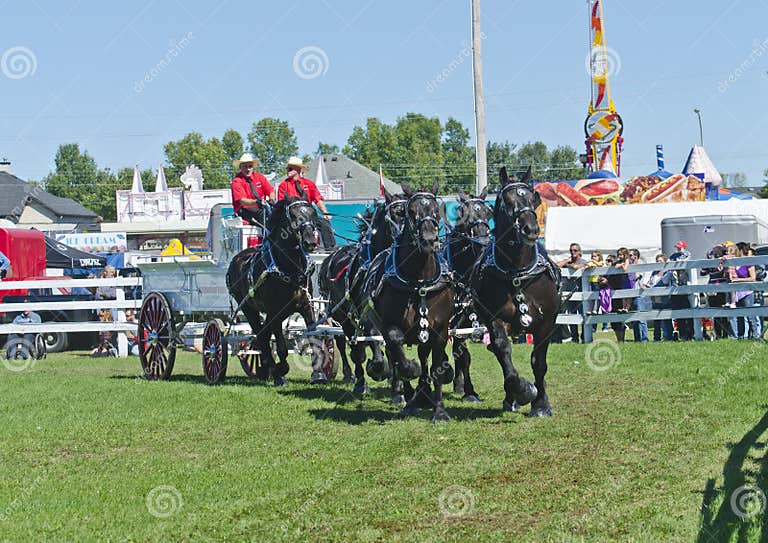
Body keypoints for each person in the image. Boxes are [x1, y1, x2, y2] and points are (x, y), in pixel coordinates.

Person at [276, 156, 336, 249]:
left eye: (290, 168)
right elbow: (281, 205)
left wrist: (325, 212)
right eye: (287, 168)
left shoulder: (309, 184)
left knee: (324, 224)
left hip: (309, 216)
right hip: (292, 218)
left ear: (298, 170)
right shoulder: (283, 186)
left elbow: (317, 200)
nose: (287, 170)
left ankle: (330, 250)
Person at [230, 153, 274, 226]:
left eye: (250, 166)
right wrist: (257, 202)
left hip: (260, 209)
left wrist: (272, 199)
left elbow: (270, 191)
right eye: (245, 166)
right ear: (240, 167)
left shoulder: (260, 177)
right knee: (263, 214)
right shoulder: (236, 181)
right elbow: (242, 201)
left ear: (253, 167)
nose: (248, 169)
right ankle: (268, 236)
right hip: (243, 211)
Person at [728, 242, 760, 340]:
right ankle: (741, 336)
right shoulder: (735, 261)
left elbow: (752, 278)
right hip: (738, 293)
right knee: (740, 316)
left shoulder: (748, 262)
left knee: (750, 315)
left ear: (740, 250)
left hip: (747, 291)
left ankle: (755, 335)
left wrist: (738, 280)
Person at [557, 243, 587, 343]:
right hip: (569, 294)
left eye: (575, 250)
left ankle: (584, 336)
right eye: (571, 250)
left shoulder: (583, 261)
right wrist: (567, 261)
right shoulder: (567, 261)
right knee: (571, 316)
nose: (573, 252)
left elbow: (578, 267)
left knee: (583, 315)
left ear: (579, 252)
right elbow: (557, 265)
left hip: (581, 293)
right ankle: (574, 338)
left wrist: (569, 265)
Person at [644, 254, 674, 341]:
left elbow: (664, 282)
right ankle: (656, 338)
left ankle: (669, 337)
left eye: (660, 261)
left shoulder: (667, 272)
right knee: (656, 320)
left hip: (665, 299)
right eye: (657, 261)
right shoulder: (654, 273)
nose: (658, 262)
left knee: (667, 319)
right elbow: (650, 283)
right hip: (655, 299)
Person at [669, 240, 693, 341]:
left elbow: (685, 263)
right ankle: (682, 334)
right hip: (675, 285)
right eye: (677, 247)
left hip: (684, 286)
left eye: (680, 247)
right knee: (678, 312)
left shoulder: (687, 254)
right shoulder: (673, 256)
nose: (678, 249)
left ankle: (690, 333)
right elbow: (670, 264)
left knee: (688, 310)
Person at [629, 249, 649, 342]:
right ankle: (637, 339)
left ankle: (644, 339)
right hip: (631, 294)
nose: (628, 257)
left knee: (641, 318)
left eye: (630, 255)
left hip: (639, 295)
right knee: (634, 318)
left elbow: (636, 276)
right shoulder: (629, 266)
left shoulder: (640, 265)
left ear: (635, 257)